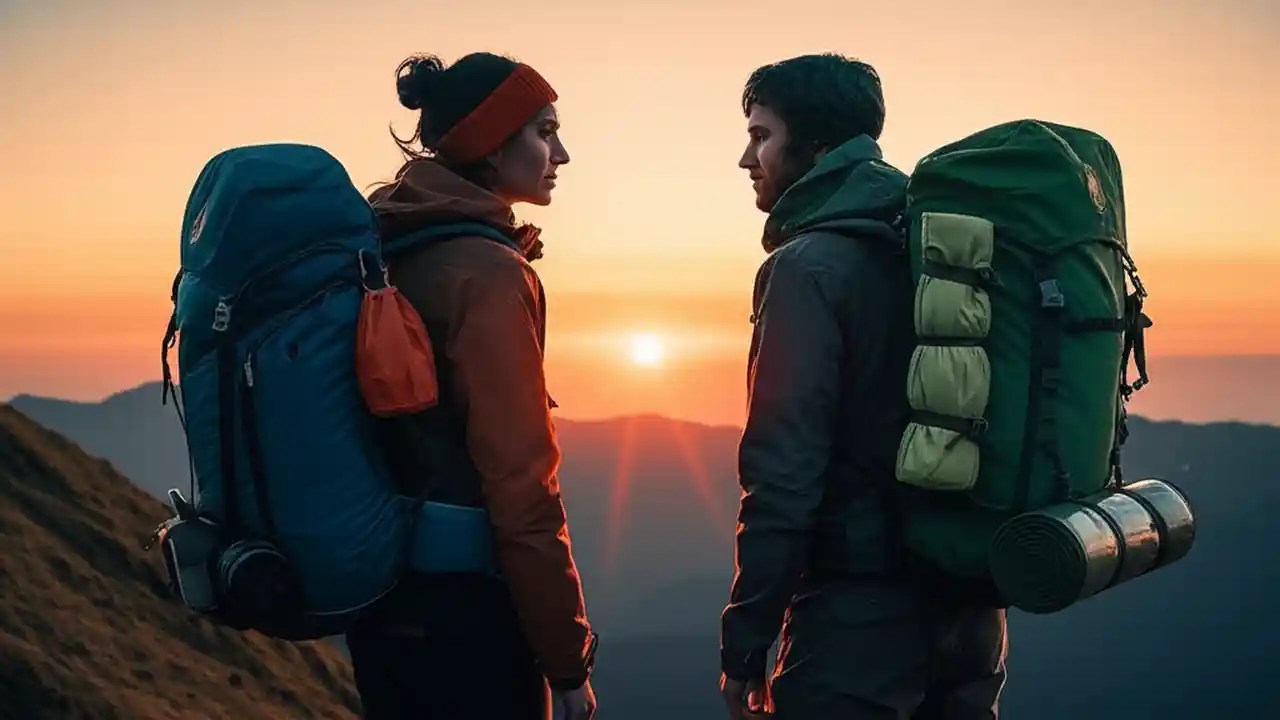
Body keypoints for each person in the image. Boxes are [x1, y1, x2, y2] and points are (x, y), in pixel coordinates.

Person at [718, 54, 1008, 719]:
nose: (745, 157)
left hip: (857, 619)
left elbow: (783, 473)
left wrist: (746, 638)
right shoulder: (939, 248)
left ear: (818, 147)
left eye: (761, 135)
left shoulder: (807, 268)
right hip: (969, 608)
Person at [345, 52, 598, 720]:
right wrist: (566, 660)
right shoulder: (485, 274)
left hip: (382, 605)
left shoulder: (386, 245)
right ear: (491, 142)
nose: (562, 153)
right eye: (545, 132)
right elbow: (521, 485)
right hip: (469, 623)